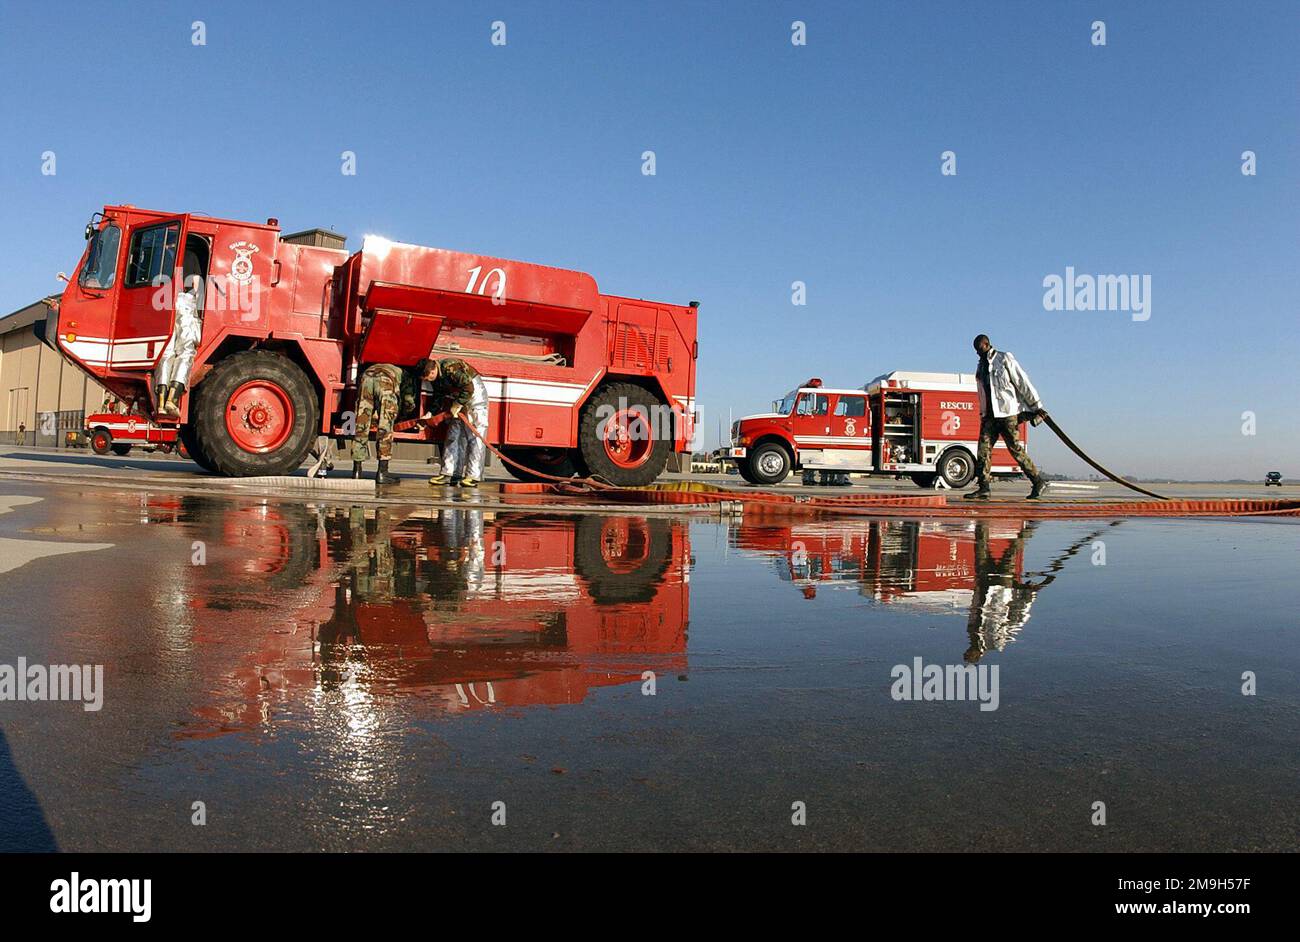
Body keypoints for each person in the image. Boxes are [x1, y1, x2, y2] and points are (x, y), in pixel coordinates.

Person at [965, 334, 1048, 500]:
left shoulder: (1004, 359)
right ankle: (984, 487)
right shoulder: (980, 367)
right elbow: (982, 393)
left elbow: (1022, 382)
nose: (977, 353)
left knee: (1015, 449)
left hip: (1007, 413)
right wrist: (983, 413)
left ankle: (1038, 482)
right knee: (983, 451)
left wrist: (1037, 405)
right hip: (989, 416)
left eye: (978, 348)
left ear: (986, 344)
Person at [351, 359, 436, 485]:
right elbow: (408, 401)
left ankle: (357, 471)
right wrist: (402, 416)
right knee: (385, 429)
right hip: (385, 382)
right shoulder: (407, 375)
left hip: (367, 377)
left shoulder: (389, 366)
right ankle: (382, 473)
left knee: (362, 425)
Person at [427, 357, 489, 488]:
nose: (426, 381)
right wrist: (430, 413)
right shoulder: (438, 378)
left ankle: (473, 476)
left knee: (475, 437)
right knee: (453, 436)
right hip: (458, 400)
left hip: (474, 399)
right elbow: (439, 395)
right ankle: (450, 473)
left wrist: (458, 404)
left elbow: (469, 387)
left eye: (427, 378)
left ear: (433, 371)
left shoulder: (451, 368)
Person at [155, 274, 205, 419]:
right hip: (187, 305)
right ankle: (172, 398)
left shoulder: (172, 255)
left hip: (167, 301)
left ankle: (161, 402)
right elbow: (196, 283)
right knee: (186, 352)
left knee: (166, 352)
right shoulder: (196, 257)